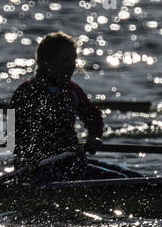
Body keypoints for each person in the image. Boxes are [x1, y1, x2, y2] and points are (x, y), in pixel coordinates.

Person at [10, 32, 134, 181]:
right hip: (37, 169)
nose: (72, 65)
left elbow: (92, 116)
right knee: (120, 179)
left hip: (70, 161)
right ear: (46, 62)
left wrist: (94, 136)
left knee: (131, 176)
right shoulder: (27, 92)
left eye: (73, 59)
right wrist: (34, 155)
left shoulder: (72, 90)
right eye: (65, 60)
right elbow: (15, 135)